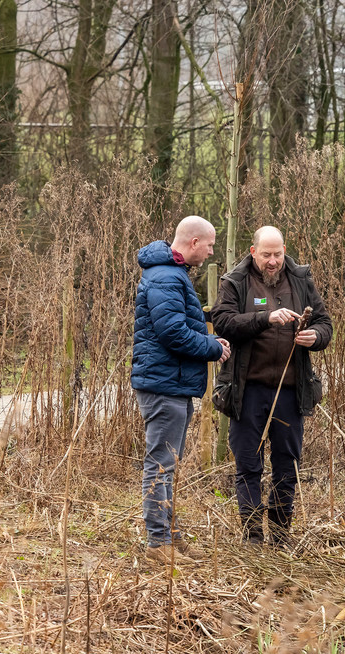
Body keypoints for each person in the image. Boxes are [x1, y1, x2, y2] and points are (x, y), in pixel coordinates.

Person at [211, 225, 332, 545]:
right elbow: (222, 322)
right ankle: (252, 536)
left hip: (290, 392)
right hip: (246, 390)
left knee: (286, 465)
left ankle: (280, 535)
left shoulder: (301, 279)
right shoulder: (235, 282)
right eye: (266, 255)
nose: (273, 261)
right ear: (253, 252)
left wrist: (315, 337)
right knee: (248, 464)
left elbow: (325, 325)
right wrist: (266, 318)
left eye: (278, 254)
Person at [131, 216, 230, 565]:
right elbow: (172, 333)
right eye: (209, 244)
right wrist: (213, 348)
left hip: (171, 383)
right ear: (192, 243)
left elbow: (181, 322)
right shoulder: (165, 277)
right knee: (160, 465)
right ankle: (158, 544)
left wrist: (209, 331)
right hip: (163, 384)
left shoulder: (171, 275)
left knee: (167, 463)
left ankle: (167, 536)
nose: (211, 251)